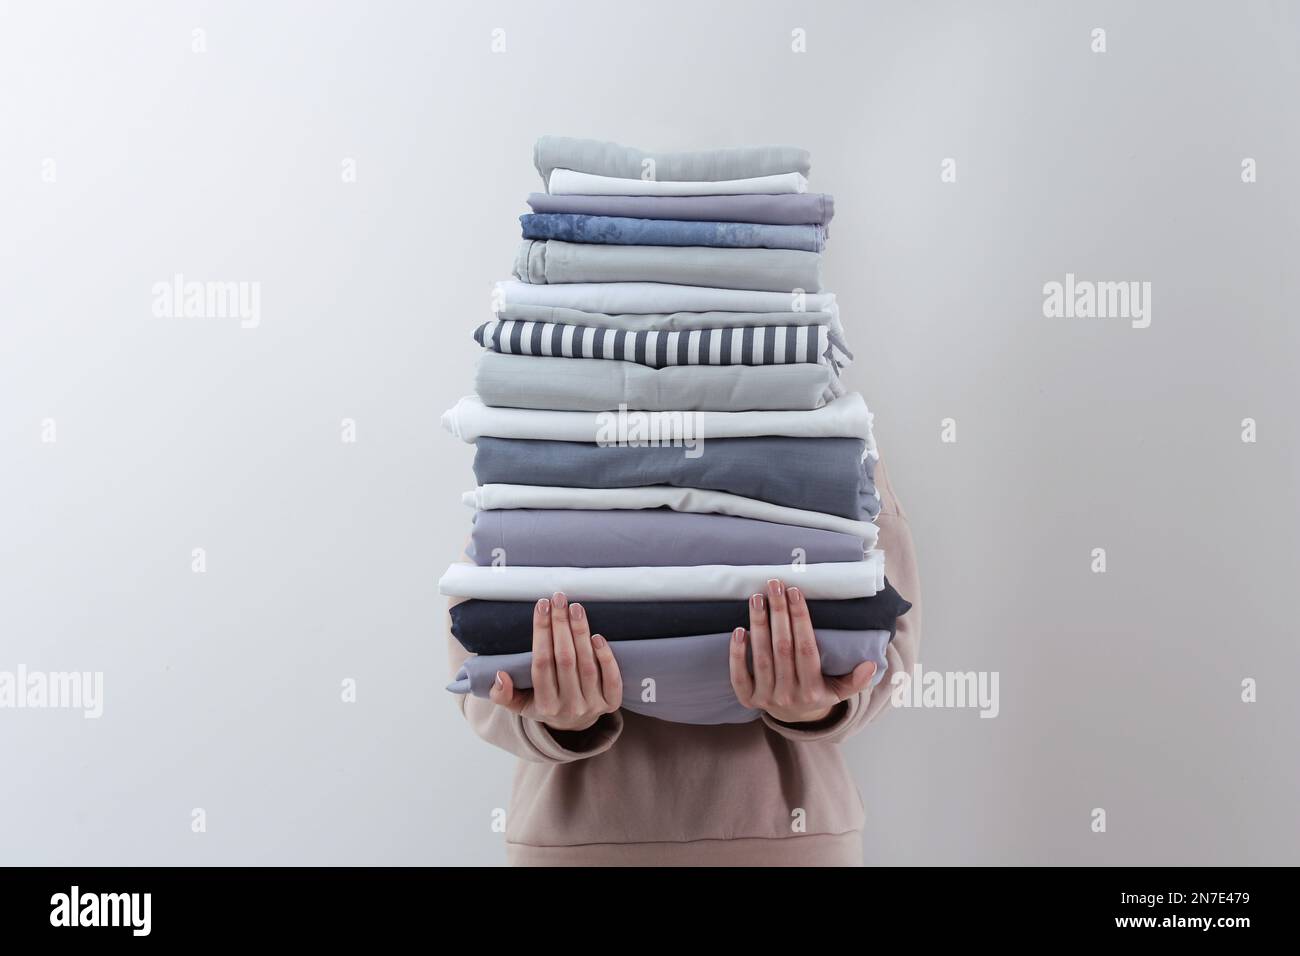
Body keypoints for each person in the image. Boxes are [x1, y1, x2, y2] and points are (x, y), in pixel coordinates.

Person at [447, 461, 921, 866]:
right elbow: (484, 641)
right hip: (582, 838)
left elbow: (885, 638)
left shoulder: (826, 438)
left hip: (786, 836)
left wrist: (819, 705)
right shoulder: (545, 418)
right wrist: (554, 719)